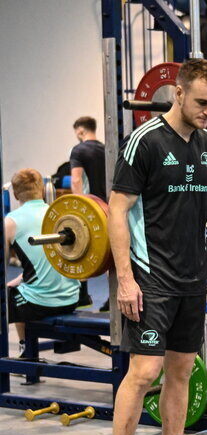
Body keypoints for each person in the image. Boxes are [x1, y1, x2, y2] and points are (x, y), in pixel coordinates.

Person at [90, 58, 207, 435]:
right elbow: (117, 211)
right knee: (144, 372)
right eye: (200, 102)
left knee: (182, 372)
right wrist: (126, 280)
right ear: (177, 92)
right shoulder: (145, 142)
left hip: (194, 281)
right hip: (150, 279)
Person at [4, 169, 81, 353]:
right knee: (19, 285)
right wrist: (23, 277)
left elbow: (3, 268)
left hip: (40, 304)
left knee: (9, 295)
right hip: (72, 298)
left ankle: (25, 350)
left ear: (15, 194)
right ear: (42, 190)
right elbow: (47, 259)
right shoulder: (60, 214)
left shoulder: (11, 221)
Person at [70, 116, 108, 309]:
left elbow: (76, 180)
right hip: (107, 207)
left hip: (89, 208)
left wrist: (78, 207)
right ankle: (112, 298)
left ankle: (83, 295)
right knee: (110, 252)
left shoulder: (78, 150)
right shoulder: (105, 148)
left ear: (80, 130)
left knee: (79, 249)